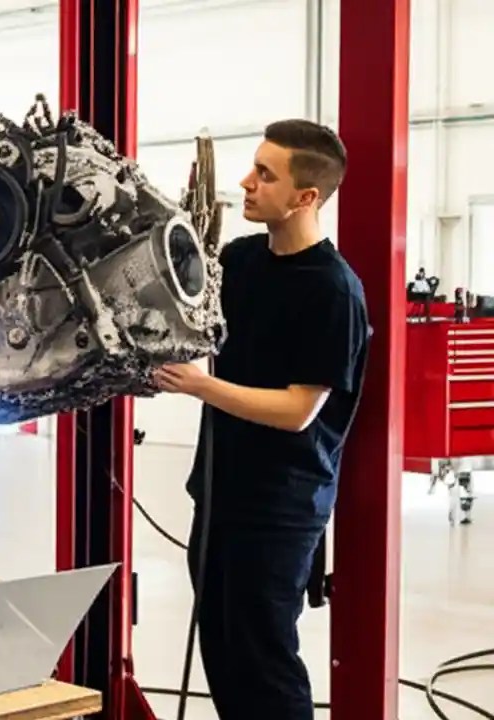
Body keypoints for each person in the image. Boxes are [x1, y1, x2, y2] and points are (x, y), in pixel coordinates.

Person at [153, 119, 370, 720]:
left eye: (265, 175)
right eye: (253, 166)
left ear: (307, 197)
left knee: (264, 670)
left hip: (278, 513)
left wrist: (201, 385)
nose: (246, 183)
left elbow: (300, 408)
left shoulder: (332, 291)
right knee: (224, 657)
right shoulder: (241, 260)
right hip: (218, 496)